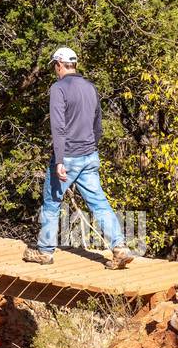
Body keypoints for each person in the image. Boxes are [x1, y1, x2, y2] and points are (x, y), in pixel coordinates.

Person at [23, 46, 134, 269]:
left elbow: (58, 126)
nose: (55, 69)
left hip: (69, 156)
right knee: (99, 203)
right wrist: (91, 148)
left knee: (52, 203)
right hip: (89, 155)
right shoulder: (90, 87)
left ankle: (45, 251)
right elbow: (97, 125)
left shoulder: (58, 89)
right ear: (74, 64)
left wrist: (60, 160)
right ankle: (120, 247)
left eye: (55, 66)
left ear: (59, 65)